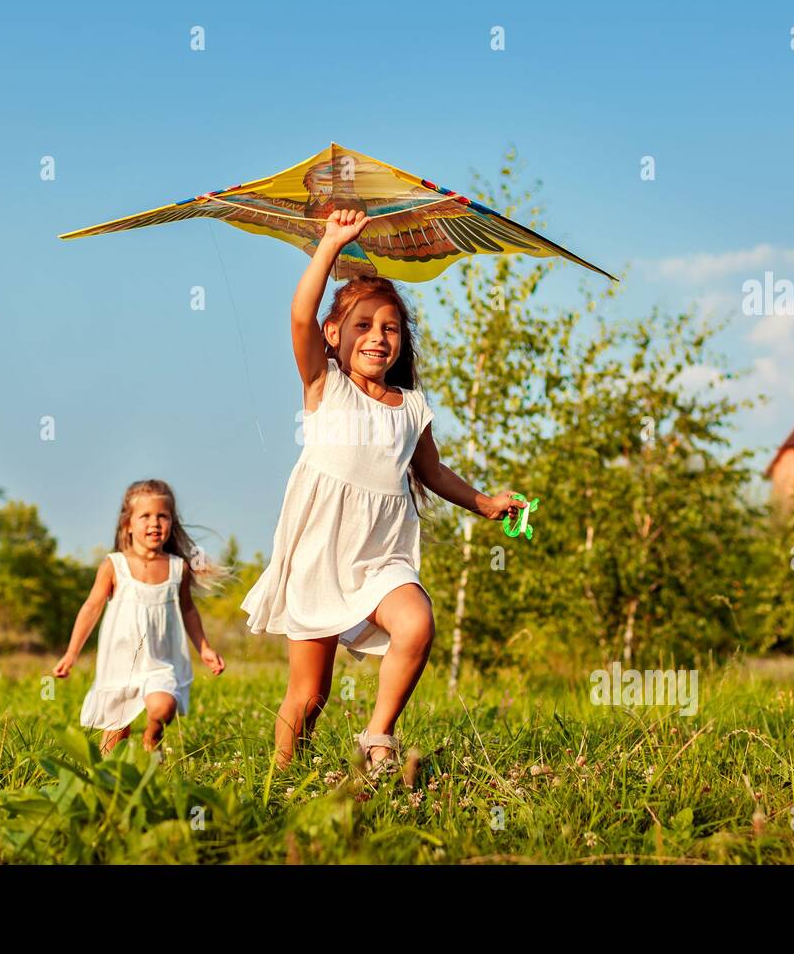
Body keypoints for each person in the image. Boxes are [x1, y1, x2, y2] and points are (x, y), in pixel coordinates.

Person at [241, 209, 528, 777]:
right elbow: (300, 314)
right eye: (363, 325)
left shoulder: (412, 406)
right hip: (320, 552)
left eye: (390, 327)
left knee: (417, 623)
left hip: (381, 555)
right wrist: (331, 243)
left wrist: (488, 503)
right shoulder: (326, 384)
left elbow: (434, 473)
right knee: (310, 692)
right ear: (334, 335)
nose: (377, 337)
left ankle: (378, 735)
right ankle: (278, 781)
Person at [54, 479, 227, 755]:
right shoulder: (115, 565)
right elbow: (91, 608)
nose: (154, 523)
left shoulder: (177, 568)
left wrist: (204, 647)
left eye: (162, 516)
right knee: (115, 737)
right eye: (145, 516)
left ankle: (152, 740)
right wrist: (72, 653)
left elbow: (189, 610)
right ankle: (109, 787)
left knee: (163, 707)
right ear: (128, 524)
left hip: (161, 661)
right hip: (120, 663)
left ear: (172, 523)